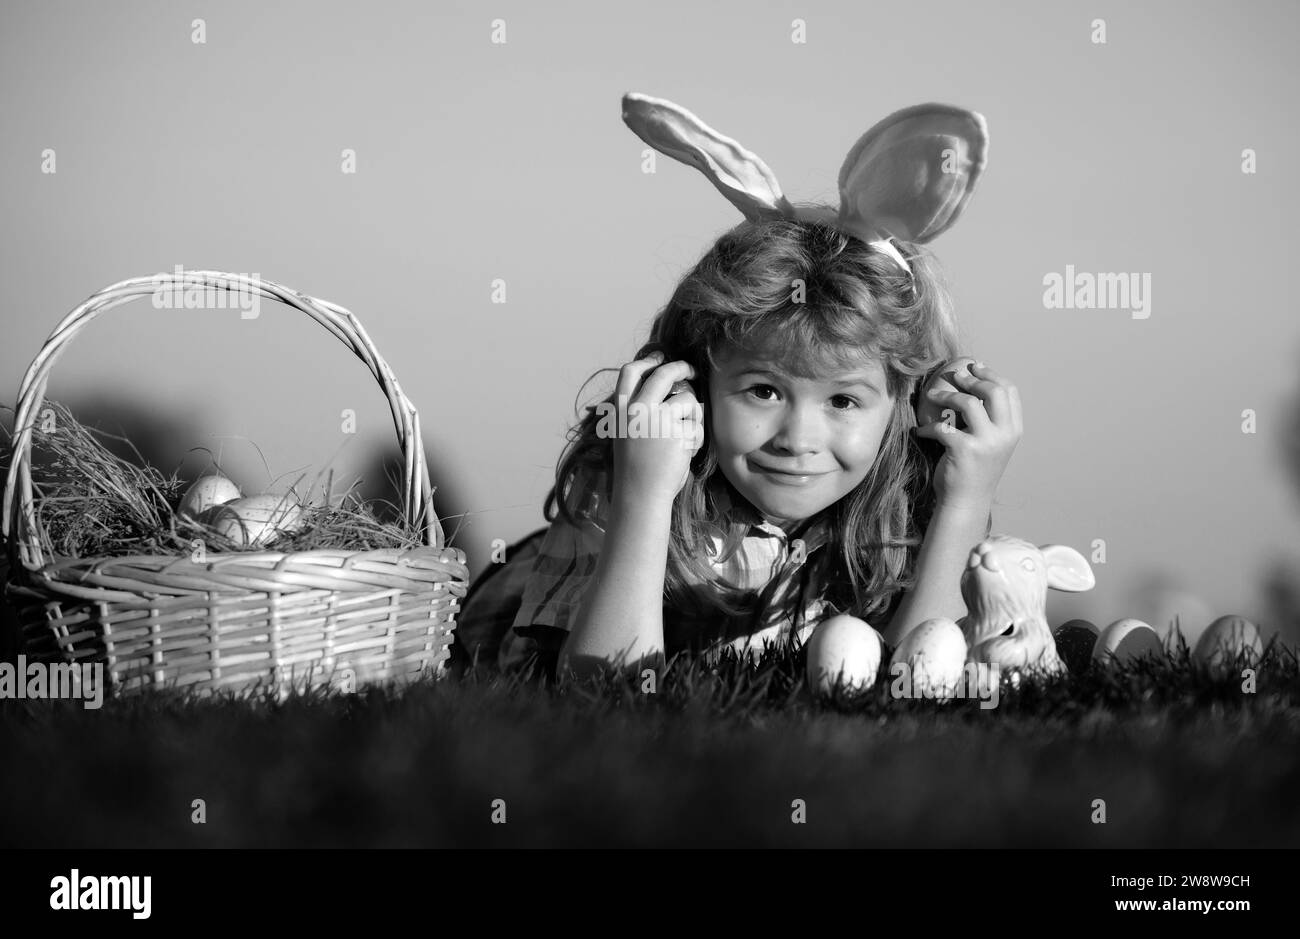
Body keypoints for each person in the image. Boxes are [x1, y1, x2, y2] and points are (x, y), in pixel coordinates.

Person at [450, 94, 1021, 682]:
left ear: (905, 404)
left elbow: (920, 678)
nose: (799, 439)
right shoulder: (624, 482)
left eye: (843, 401)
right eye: (763, 392)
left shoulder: (906, 497)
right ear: (693, 383)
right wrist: (644, 496)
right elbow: (603, 685)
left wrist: (965, 499)